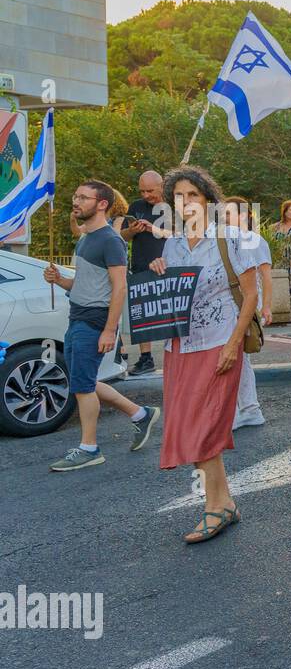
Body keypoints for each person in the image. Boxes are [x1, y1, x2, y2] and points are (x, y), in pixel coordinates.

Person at [147, 166, 258, 543]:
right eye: (178, 196)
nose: (186, 202)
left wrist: (234, 344)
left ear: (208, 199)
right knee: (190, 423)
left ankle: (216, 509)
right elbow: (169, 293)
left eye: (193, 195)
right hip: (179, 345)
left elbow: (251, 295)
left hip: (219, 342)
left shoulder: (231, 238)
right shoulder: (173, 243)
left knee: (205, 425)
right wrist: (158, 271)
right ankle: (223, 503)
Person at [43, 180, 161, 472]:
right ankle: (140, 414)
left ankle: (89, 448)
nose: (76, 201)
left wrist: (110, 330)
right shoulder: (85, 238)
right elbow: (82, 283)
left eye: (83, 197)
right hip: (77, 316)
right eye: (75, 196)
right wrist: (59, 280)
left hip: (94, 320)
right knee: (83, 381)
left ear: (102, 204)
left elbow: (119, 287)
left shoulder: (111, 240)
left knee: (82, 386)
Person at [222, 197, 273, 430]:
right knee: (240, 357)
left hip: (246, 302)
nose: (224, 217)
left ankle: (248, 409)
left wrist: (267, 306)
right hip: (233, 302)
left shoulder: (253, 239)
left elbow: (266, 275)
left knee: (240, 356)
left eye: (229, 213)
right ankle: (248, 409)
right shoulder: (225, 239)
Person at [123, 171, 169, 374]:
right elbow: (123, 236)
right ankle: (145, 358)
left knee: (172, 313)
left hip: (169, 267)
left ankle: (176, 355)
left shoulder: (174, 206)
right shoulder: (136, 206)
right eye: (142, 191)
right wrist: (133, 230)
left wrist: (154, 229)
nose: (146, 195)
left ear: (162, 186)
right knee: (141, 314)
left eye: (150, 191)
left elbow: (185, 235)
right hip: (141, 266)